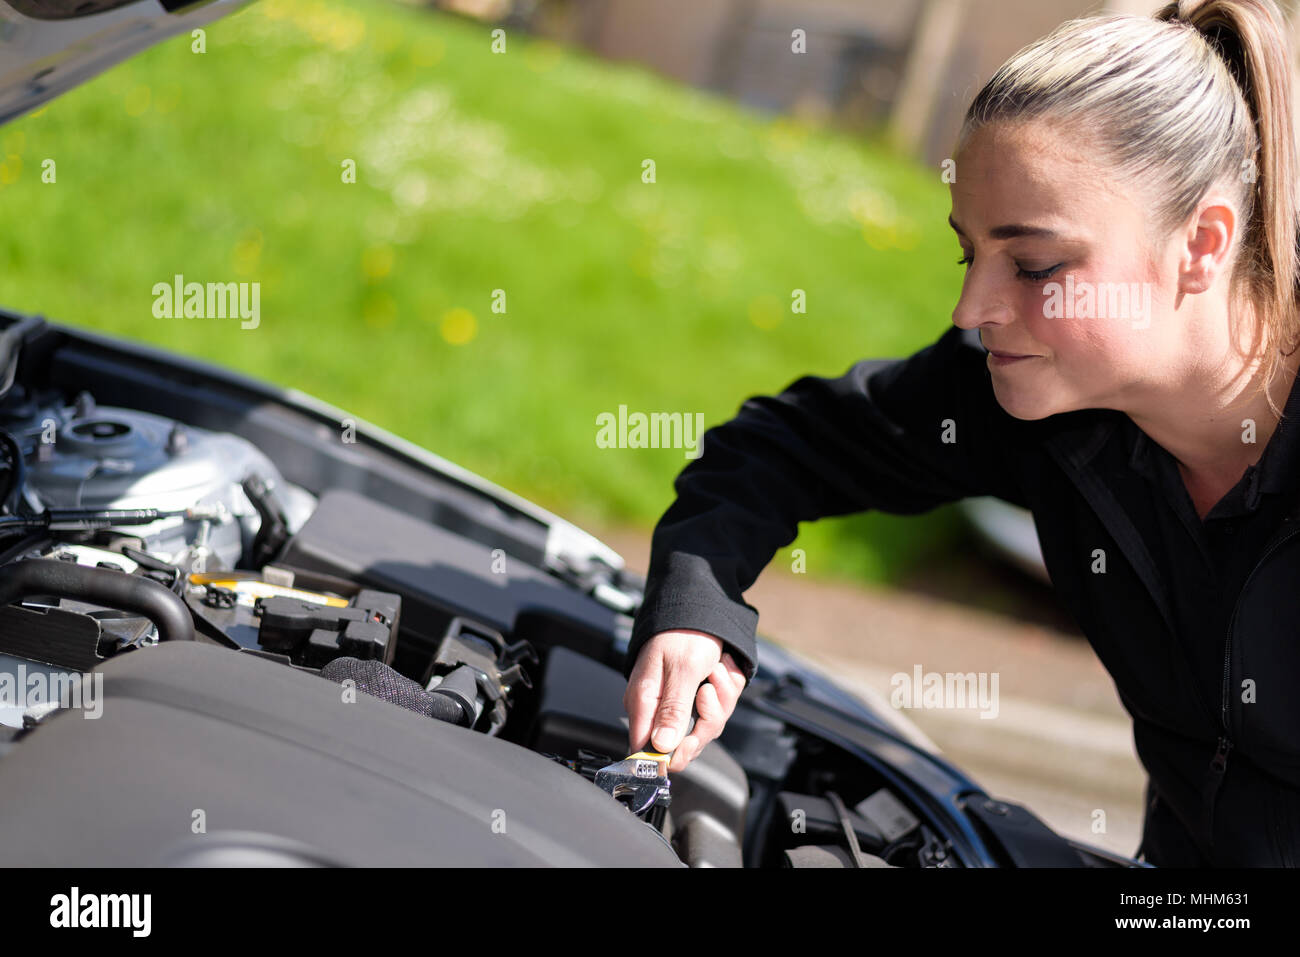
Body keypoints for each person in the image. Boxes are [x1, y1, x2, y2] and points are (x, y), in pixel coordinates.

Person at [621, 0, 1300, 867]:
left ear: (1202, 245)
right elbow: (784, 446)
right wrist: (696, 613)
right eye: (967, 253)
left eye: (1034, 264)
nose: (973, 311)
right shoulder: (1036, 396)